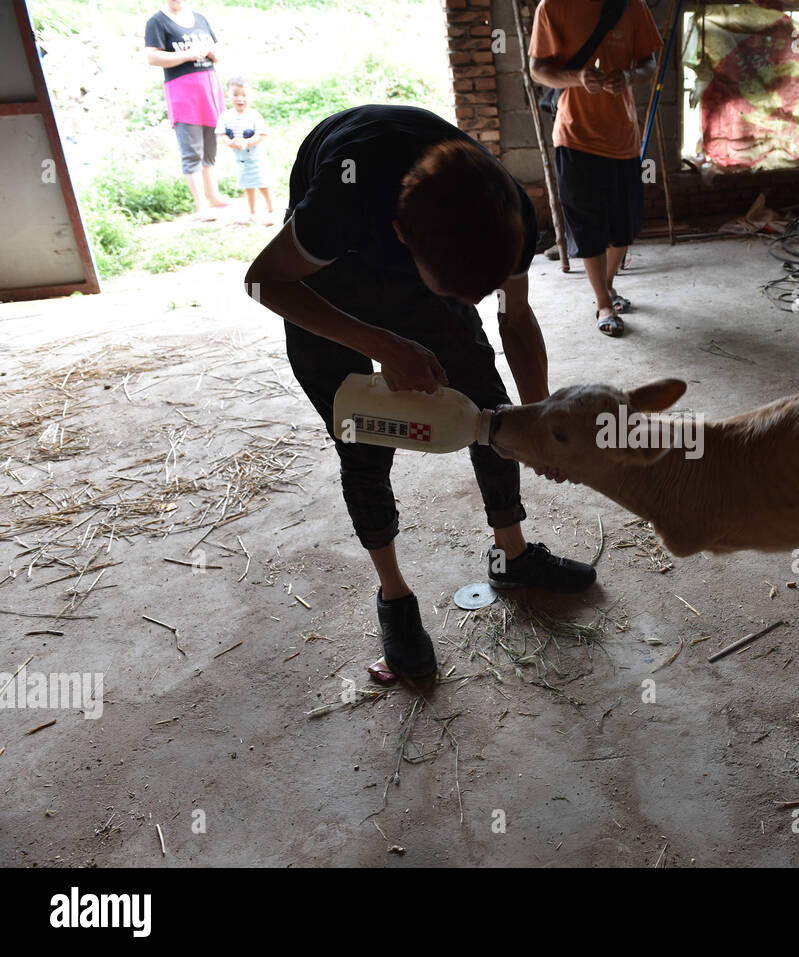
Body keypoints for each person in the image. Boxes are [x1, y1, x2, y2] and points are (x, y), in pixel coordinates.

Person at [244, 105, 596, 682]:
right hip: (319, 286)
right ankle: (396, 599)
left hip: (430, 250)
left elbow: (515, 315)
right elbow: (263, 280)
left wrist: (539, 420)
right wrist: (380, 342)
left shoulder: (505, 212)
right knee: (361, 438)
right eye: (463, 296)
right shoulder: (342, 200)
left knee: (491, 411)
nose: (476, 305)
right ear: (403, 237)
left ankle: (513, 555)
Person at [529, 0, 662, 337]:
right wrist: (576, 77)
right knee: (588, 224)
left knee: (623, 225)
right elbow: (538, 68)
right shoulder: (553, 8)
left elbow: (649, 62)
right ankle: (603, 302)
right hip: (575, 136)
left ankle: (608, 285)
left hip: (623, 138)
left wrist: (630, 76)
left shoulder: (632, 6)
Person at [144, 0, 228, 221]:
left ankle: (214, 196)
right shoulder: (157, 21)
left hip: (209, 87)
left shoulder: (200, 18)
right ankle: (201, 206)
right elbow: (152, 56)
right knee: (192, 150)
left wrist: (210, 51)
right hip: (183, 91)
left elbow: (218, 53)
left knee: (210, 147)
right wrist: (188, 55)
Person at [218, 77, 274, 224]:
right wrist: (231, 143)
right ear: (227, 95)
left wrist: (247, 143)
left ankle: (271, 210)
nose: (240, 99)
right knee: (248, 185)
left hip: (256, 158)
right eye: (235, 95)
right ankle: (252, 213)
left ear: (250, 96)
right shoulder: (225, 116)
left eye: (244, 95)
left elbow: (262, 134)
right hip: (240, 160)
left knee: (263, 183)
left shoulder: (254, 115)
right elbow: (222, 134)